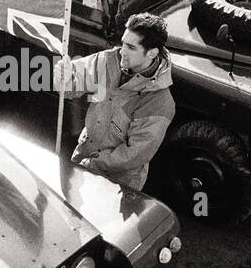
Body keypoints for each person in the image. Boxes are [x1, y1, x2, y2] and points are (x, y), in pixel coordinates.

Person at [55, 12, 175, 192]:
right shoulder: (108, 61)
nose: (122, 51)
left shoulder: (160, 102)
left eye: (131, 47)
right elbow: (71, 87)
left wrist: (91, 165)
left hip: (117, 185)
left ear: (151, 53)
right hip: (83, 159)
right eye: (123, 43)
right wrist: (62, 78)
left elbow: (134, 154)